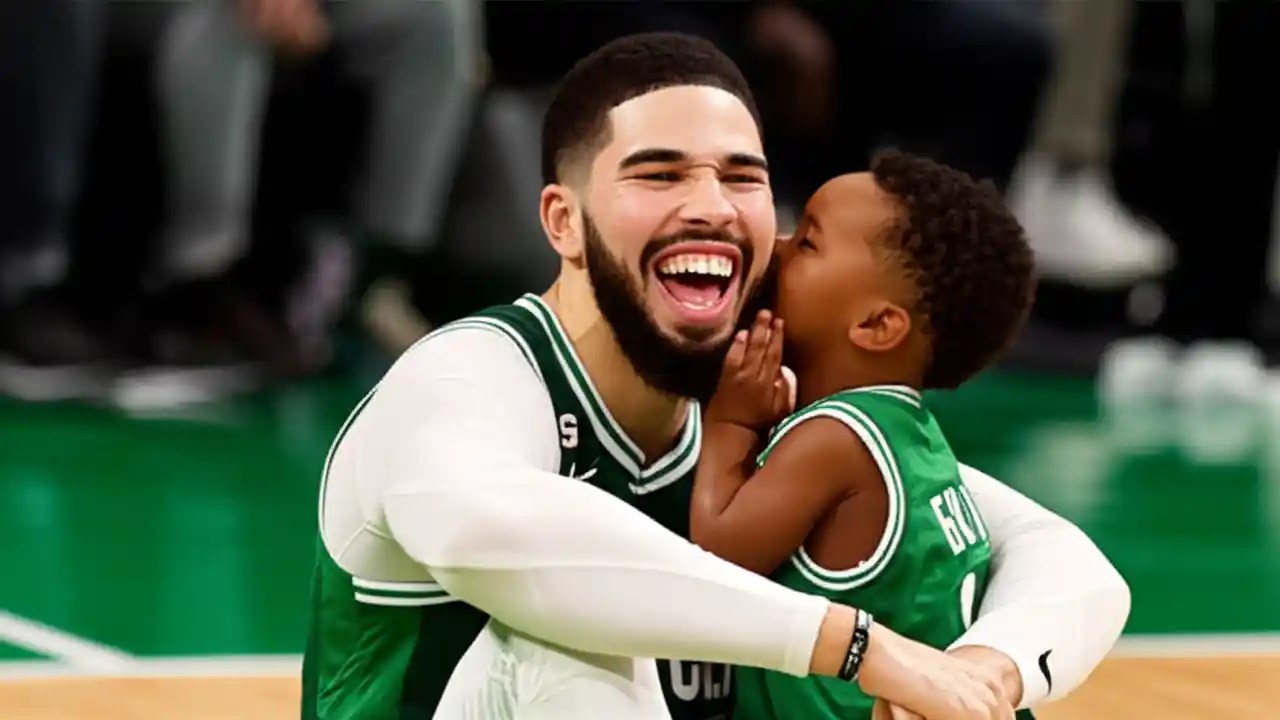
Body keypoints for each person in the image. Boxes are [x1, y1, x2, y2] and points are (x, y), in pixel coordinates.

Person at [301, 32, 1130, 720]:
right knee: (568, 638)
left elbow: (1058, 555)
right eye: (659, 174)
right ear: (564, 222)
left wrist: (982, 673)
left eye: (742, 177)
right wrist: (861, 648)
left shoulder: (764, 409)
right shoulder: (464, 377)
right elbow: (495, 534)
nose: (711, 205)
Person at [691, 152, 1037, 719]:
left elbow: (715, 562)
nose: (776, 246)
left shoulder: (836, 438)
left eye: (807, 242)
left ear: (876, 325)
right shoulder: (913, 436)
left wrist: (730, 422)